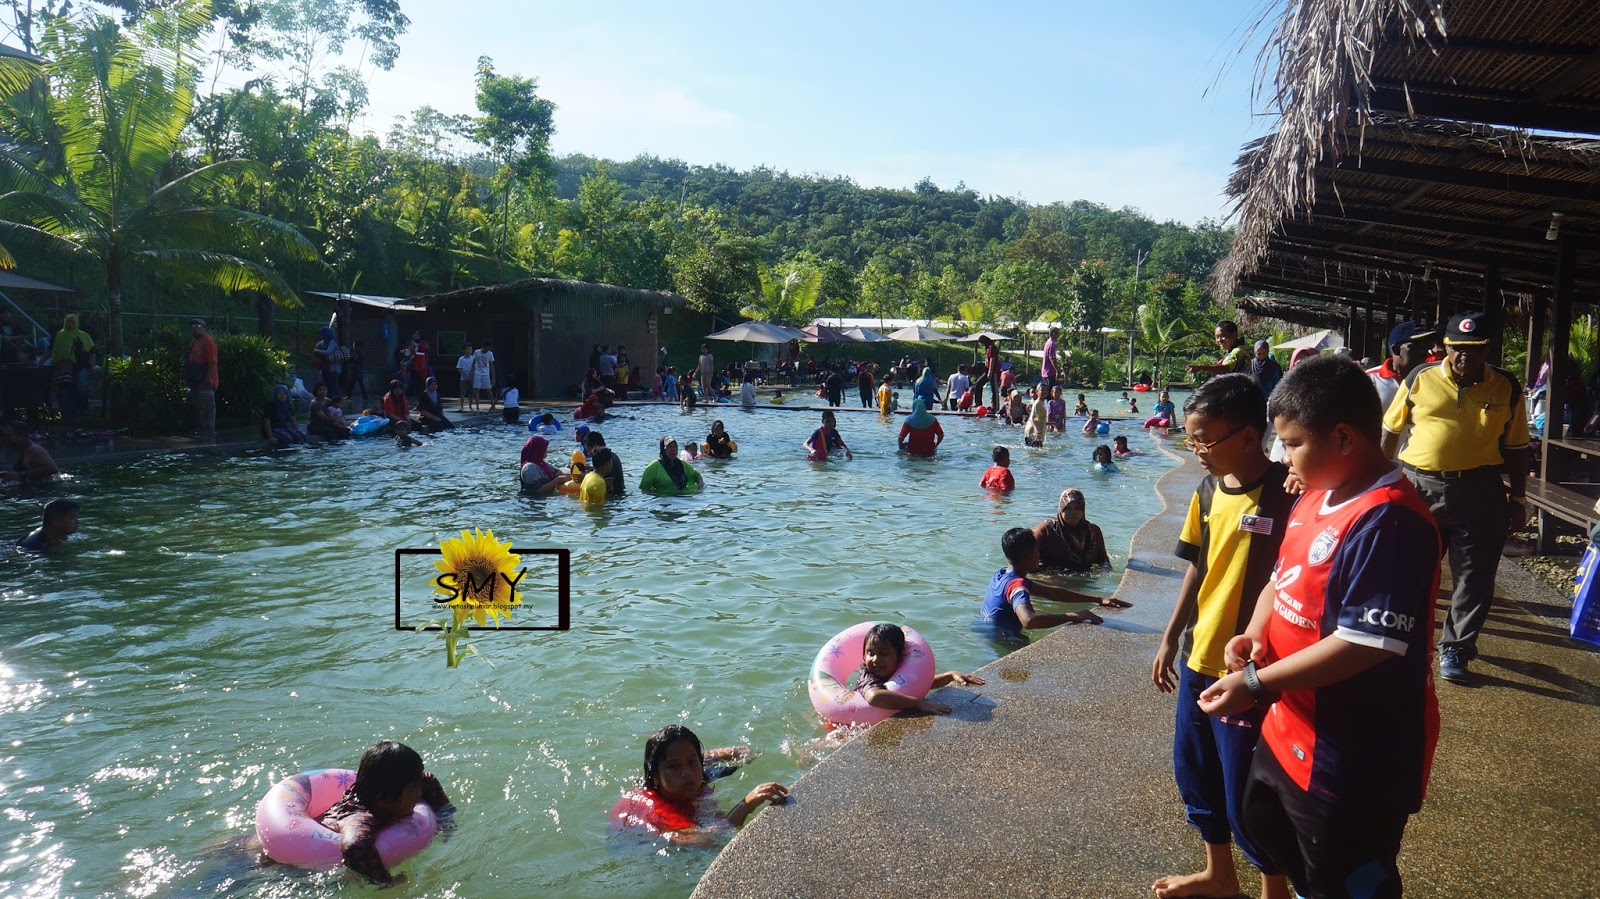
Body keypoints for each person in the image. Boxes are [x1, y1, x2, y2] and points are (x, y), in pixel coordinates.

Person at [1198, 354, 1440, 899]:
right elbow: (1280, 579)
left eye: (1292, 443)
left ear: (1344, 438)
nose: (1282, 457)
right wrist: (1257, 632)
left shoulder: (1389, 519)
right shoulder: (1314, 495)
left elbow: (1364, 644)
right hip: (1290, 727)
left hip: (1352, 754)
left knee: (1346, 877)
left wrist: (1257, 684)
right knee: (1279, 841)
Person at [1149, 373, 1294, 899]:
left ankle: (1272, 889)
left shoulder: (1289, 494)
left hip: (1252, 670)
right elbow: (1196, 568)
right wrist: (1169, 638)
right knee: (1196, 773)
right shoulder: (1207, 490)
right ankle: (1219, 874)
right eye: (1190, 440)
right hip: (1199, 657)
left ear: (1250, 435)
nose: (1197, 450)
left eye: (1205, 439)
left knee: (1249, 790)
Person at [1381, 311, 1527, 684]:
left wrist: (1519, 499)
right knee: (1408, 567)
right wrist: (1379, 484)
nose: (1464, 357)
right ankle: (1400, 638)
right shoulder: (1419, 378)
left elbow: (1517, 448)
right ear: (1444, 347)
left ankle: (1457, 648)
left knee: (1474, 576)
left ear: (1487, 350)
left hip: (1480, 490)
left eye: (1474, 349)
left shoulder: (1506, 386)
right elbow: (1389, 431)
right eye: (1457, 348)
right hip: (1419, 486)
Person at [610, 725, 787, 842]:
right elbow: (706, 840)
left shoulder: (691, 774)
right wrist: (746, 805)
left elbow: (740, 752)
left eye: (692, 761)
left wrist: (731, 753)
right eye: (674, 766)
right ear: (655, 776)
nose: (687, 772)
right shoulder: (657, 808)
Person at [316, 740, 452, 886]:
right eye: (413, 788)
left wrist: (445, 819)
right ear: (383, 798)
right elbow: (355, 846)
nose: (419, 791)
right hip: (314, 870)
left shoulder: (390, 792)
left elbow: (427, 779)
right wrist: (387, 883)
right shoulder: (360, 816)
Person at [980, 528, 1123, 635]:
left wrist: (1097, 599)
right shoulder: (1017, 585)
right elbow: (1029, 620)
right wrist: (1072, 616)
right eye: (1037, 551)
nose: (1039, 555)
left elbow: (1051, 592)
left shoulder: (1001, 574)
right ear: (1027, 556)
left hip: (985, 630)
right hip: (1005, 640)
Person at [853, 623, 985, 717]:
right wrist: (918, 704)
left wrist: (949, 675)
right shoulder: (868, 674)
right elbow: (874, 696)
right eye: (870, 653)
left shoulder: (896, 669)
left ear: (900, 656)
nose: (875, 659)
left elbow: (915, 685)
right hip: (854, 722)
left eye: (883, 653)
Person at [1032, 488, 1112, 573]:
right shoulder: (1045, 531)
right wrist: (1045, 577)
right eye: (1067, 508)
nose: (1073, 512)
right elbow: (1026, 562)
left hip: (1085, 581)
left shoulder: (1093, 532)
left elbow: (1103, 561)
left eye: (1077, 508)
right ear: (1061, 509)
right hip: (1053, 580)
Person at [1365, 321, 1435, 413]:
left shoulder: (1432, 380)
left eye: (1426, 346)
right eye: (1416, 346)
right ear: (1396, 349)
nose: (1424, 352)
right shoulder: (1369, 380)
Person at [50, 313, 94, 425]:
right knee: (66, 392)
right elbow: (54, 351)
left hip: (81, 366)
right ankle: (68, 417)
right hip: (64, 368)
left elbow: (91, 351)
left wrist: (92, 366)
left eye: (72, 321)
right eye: (68, 321)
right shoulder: (60, 335)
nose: (70, 324)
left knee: (82, 389)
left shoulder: (83, 336)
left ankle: (83, 410)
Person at [183, 319, 219, 443]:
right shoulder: (194, 341)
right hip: (195, 379)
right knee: (198, 405)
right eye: (193, 326)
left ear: (204, 328)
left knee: (207, 405)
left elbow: (212, 362)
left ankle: (209, 429)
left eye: (198, 326)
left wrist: (208, 377)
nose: (195, 328)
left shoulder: (208, 342)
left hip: (205, 380)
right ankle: (201, 427)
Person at [1187, 320, 1252, 378]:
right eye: (1217, 337)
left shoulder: (1237, 351)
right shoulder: (1234, 351)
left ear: (1234, 335)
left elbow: (1225, 369)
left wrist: (1202, 368)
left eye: (1223, 336)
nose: (1219, 340)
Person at [312, 327, 341, 397]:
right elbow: (318, 344)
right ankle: (329, 399)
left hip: (334, 368)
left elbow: (328, 352)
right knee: (326, 384)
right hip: (325, 367)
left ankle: (337, 401)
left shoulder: (332, 342)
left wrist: (317, 351)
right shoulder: (324, 341)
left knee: (334, 385)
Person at [975, 334, 1002, 410]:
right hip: (987, 371)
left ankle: (996, 407)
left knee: (994, 389)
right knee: (978, 383)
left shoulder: (992, 347)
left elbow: (992, 359)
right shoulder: (987, 348)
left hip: (994, 371)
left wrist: (990, 371)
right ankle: (978, 403)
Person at [472, 341, 496, 410]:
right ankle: (477, 407)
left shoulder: (490, 353)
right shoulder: (477, 352)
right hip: (478, 372)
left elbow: (492, 365)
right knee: (477, 389)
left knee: (488, 390)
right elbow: (473, 363)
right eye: (486, 348)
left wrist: (493, 377)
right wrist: (472, 374)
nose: (487, 350)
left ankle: (492, 405)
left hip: (486, 373)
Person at [456, 343, 476, 412]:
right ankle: (462, 406)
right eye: (467, 349)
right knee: (462, 392)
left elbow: (474, 367)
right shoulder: (461, 359)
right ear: (464, 350)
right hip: (463, 378)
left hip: (472, 377)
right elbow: (459, 368)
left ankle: (470, 406)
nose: (469, 350)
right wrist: (464, 376)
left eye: (470, 349)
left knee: (471, 393)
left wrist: (471, 376)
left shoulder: (473, 358)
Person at [1041, 326, 1061, 391]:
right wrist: (1057, 370)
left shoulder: (1047, 342)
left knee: (1046, 393)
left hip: (1045, 372)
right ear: (1053, 334)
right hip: (1050, 373)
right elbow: (1052, 359)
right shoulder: (1052, 344)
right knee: (1051, 394)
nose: (1059, 335)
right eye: (1058, 333)